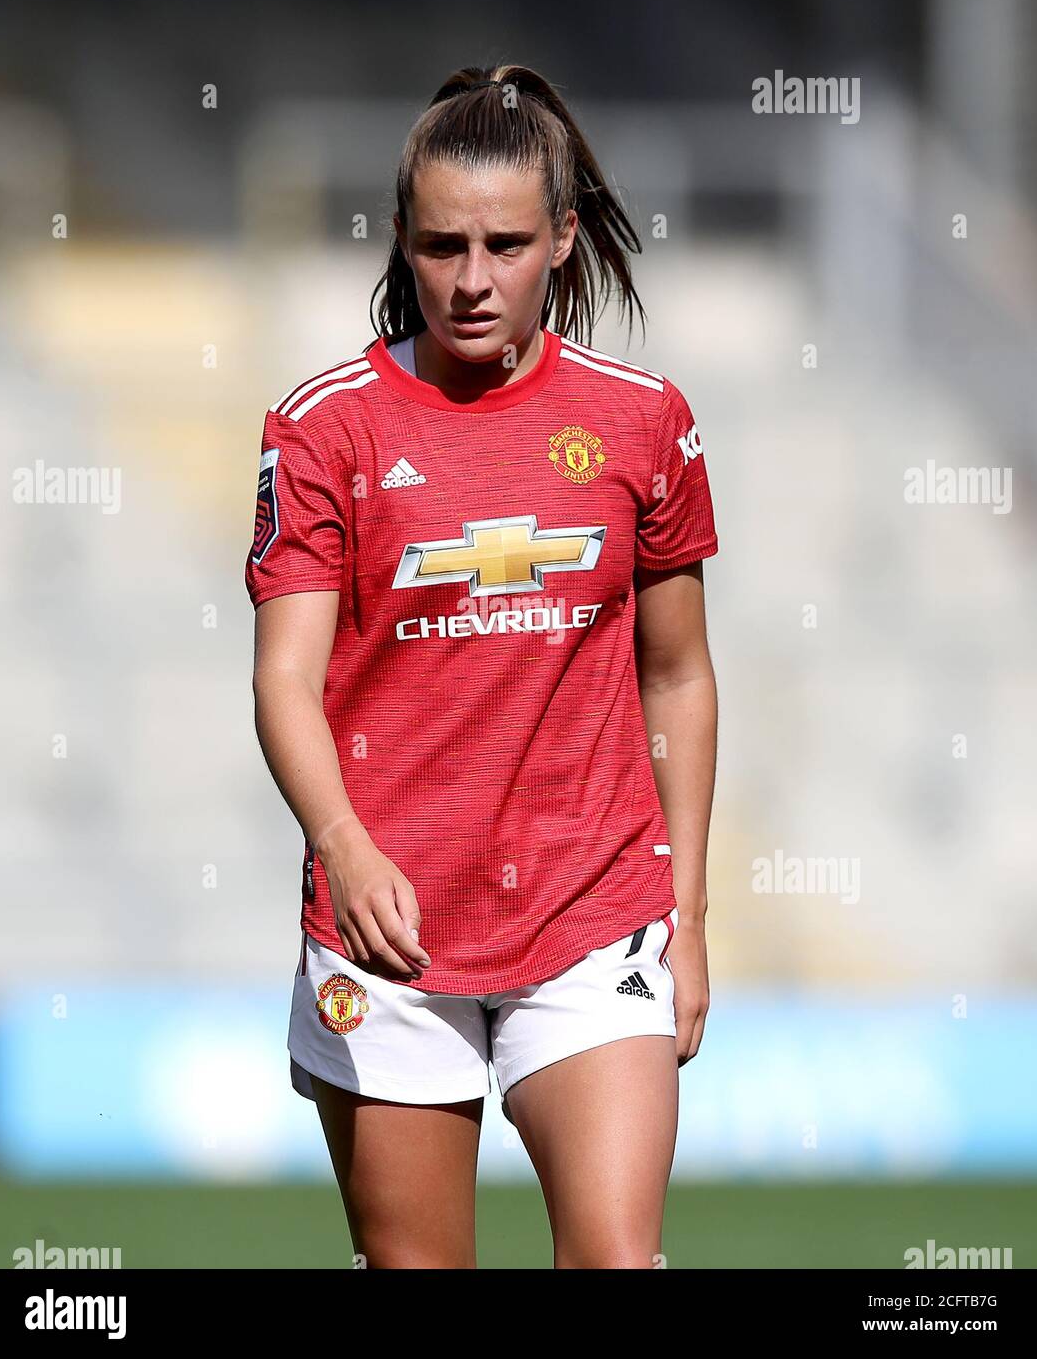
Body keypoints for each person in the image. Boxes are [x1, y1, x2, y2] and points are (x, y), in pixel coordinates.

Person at [245, 63, 719, 1269]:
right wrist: (346, 847)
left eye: (504, 244)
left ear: (562, 236)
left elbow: (677, 674)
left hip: (592, 909)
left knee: (618, 1259)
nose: (470, 279)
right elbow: (283, 677)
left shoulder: (643, 421)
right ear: (400, 238)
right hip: (389, 933)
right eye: (441, 243)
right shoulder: (322, 428)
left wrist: (689, 913)